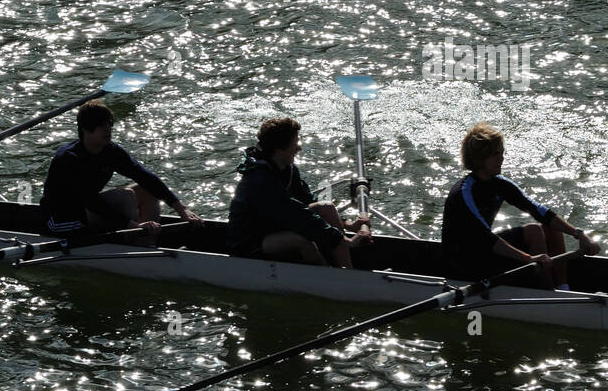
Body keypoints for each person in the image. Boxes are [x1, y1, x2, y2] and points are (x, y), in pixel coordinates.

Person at [440, 122, 599, 291]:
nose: (502, 158)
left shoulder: (500, 184)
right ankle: (550, 295)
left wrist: (580, 234)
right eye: (495, 154)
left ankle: (563, 288)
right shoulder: (464, 192)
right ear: (479, 158)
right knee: (534, 231)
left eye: (502, 153)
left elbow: (539, 211)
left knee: (551, 228)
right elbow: (485, 237)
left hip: (485, 251)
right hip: (461, 264)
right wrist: (527, 259)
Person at [39, 99, 203, 240]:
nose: (108, 129)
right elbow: (90, 200)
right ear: (86, 129)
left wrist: (181, 209)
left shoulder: (110, 151)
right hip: (60, 221)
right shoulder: (69, 158)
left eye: (109, 124)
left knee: (145, 190)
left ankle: (146, 246)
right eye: (101, 126)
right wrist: (131, 225)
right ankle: (132, 242)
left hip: (87, 212)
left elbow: (144, 176)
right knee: (125, 196)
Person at [227, 116, 371, 267]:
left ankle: (348, 271)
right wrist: (344, 240)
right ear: (279, 148)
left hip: (273, 225)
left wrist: (348, 224)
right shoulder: (259, 179)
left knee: (325, 207)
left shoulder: (288, 169)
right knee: (302, 242)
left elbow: (308, 201)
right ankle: (329, 280)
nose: (299, 147)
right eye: (295, 143)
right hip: (250, 241)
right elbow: (296, 214)